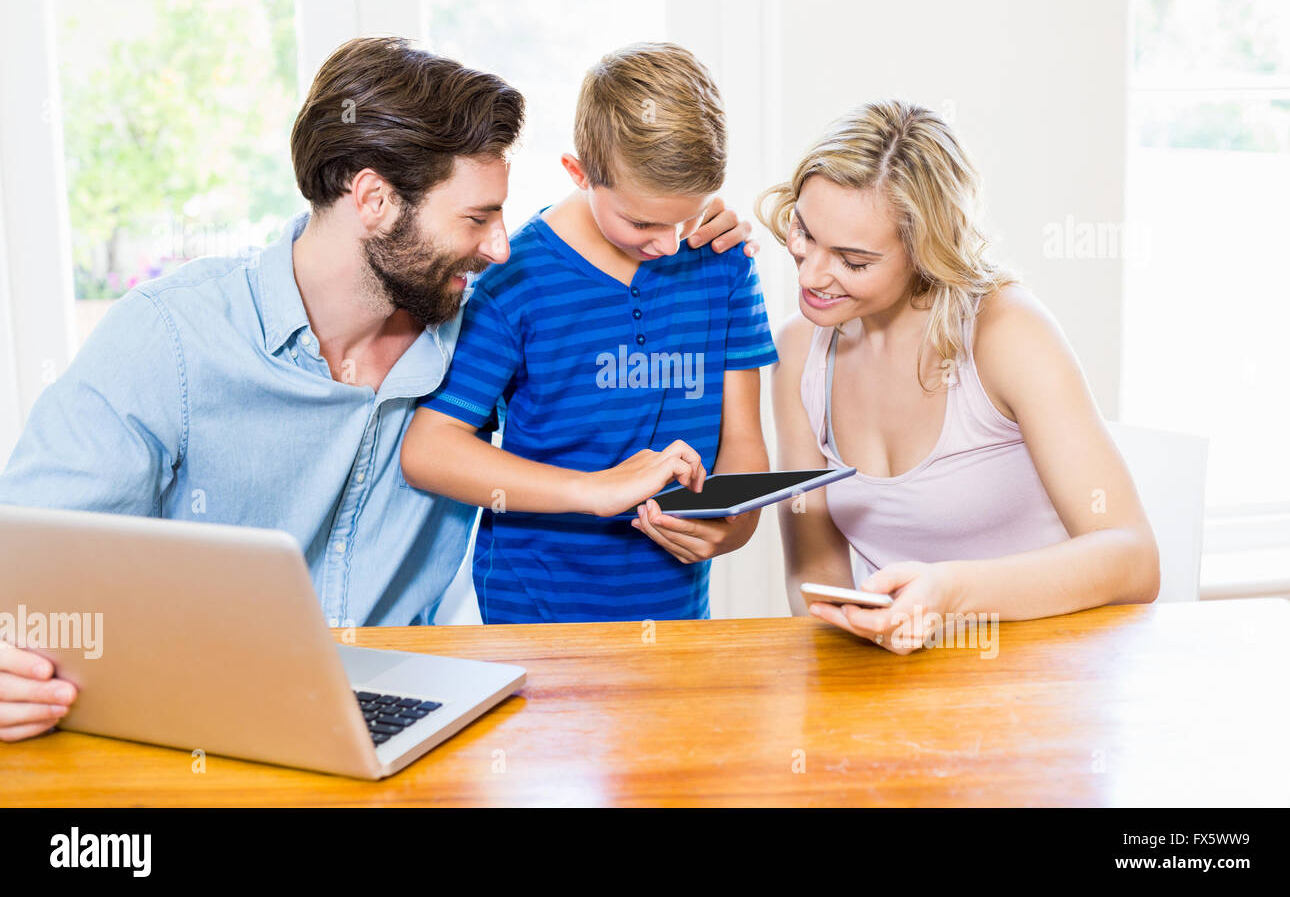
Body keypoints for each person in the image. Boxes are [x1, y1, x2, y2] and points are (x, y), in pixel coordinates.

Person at [0, 36, 754, 742]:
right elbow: (25, 564)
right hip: (198, 715)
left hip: (403, 712)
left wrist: (699, 231)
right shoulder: (169, 338)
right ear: (372, 199)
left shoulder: (467, 327)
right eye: (478, 218)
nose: (500, 246)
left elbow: (606, 327)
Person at [762, 100, 1159, 654]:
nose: (810, 273)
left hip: (1051, 674)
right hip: (912, 678)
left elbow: (1133, 557)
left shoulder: (1006, 333)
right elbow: (817, 582)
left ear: (924, 252)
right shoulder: (799, 352)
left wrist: (952, 593)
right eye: (804, 233)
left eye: (853, 261)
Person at [401, 43, 777, 622]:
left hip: (673, 610)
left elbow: (744, 438)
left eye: (684, 217)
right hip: (535, 614)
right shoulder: (515, 279)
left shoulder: (723, 260)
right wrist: (593, 490)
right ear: (579, 173)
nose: (669, 245)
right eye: (643, 222)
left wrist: (736, 527)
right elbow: (430, 450)